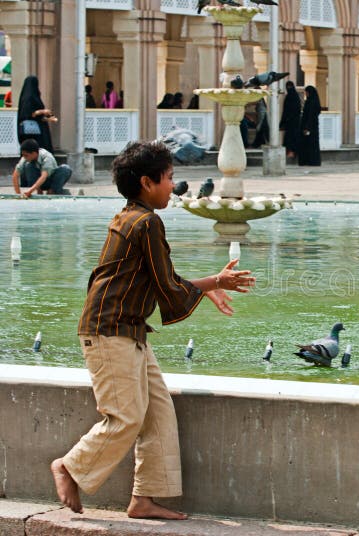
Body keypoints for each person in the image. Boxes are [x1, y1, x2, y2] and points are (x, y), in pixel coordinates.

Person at [49, 140, 256, 519]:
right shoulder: (146, 222)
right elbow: (169, 289)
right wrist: (214, 283)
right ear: (147, 181)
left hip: (129, 331)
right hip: (110, 330)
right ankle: (69, 466)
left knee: (158, 412)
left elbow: (163, 279)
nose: (173, 186)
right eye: (170, 178)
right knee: (125, 416)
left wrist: (210, 286)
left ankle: (144, 498)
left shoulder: (131, 216)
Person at [17, 74, 58, 153]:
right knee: (37, 151)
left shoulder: (31, 97)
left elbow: (37, 117)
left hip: (38, 130)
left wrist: (49, 118)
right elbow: (28, 113)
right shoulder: (28, 98)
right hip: (33, 133)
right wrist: (43, 111)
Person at [297, 85, 321, 166]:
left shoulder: (311, 102)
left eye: (306, 92)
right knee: (310, 145)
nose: (306, 94)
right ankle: (311, 161)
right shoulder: (313, 101)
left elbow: (310, 116)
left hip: (309, 127)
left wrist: (307, 127)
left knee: (310, 145)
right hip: (313, 127)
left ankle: (311, 161)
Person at [280, 81, 302, 159]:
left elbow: (286, 111)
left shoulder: (290, 97)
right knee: (292, 137)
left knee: (290, 138)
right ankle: (292, 152)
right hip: (294, 121)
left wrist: (282, 122)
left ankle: (291, 152)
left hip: (291, 121)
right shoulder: (296, 96)